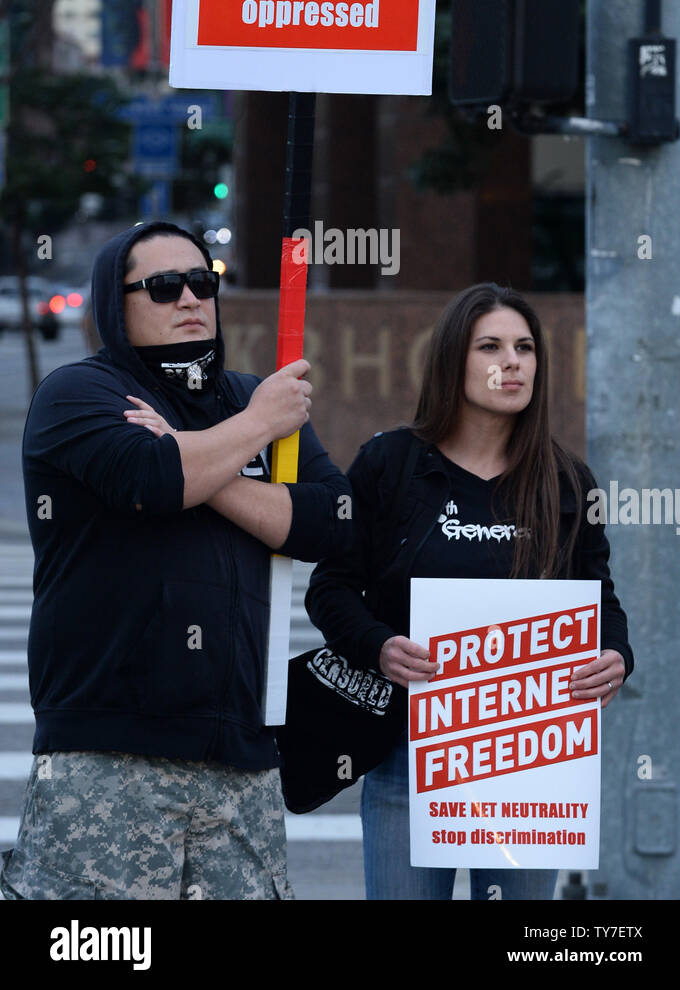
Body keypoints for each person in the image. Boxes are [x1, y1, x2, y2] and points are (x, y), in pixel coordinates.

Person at [1, 220, 350, 901]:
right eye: (162, 287)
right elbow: (151, 481)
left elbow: (331, 522)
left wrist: (210, 460)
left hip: (241, 765)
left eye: (202, 281)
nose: (190, 298)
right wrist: (253, 432)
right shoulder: (79, 394)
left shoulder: (252, 396)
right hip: (108, 756)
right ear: (115, 302)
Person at [306, 283, 634, 901]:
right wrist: (376, 645)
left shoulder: (567, 481)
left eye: (525, 347)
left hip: (527, 768)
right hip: (408, 756)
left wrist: (615, 656)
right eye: (491, 346)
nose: (513, 362)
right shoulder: (390, 464)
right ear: (453, 359)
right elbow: (331, 587)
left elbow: (600, 597)